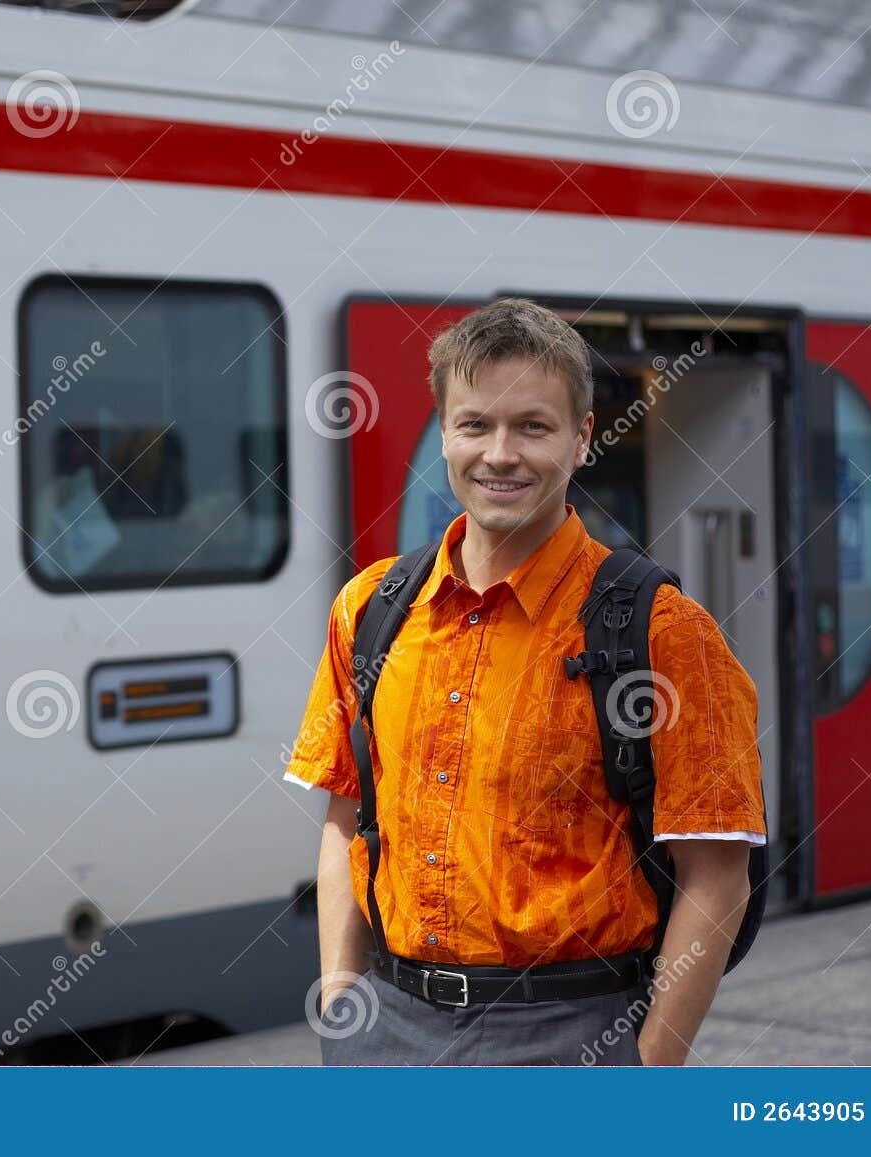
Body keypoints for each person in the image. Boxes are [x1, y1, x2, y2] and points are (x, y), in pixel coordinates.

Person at [285, 298, 764, 1066]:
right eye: (475, 424)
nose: (499, 453)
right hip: (387, 1026)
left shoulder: (665, 631)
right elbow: (347, 813)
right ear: (443, 433)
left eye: (532, 426)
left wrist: (648, 1066)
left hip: (571, 1032)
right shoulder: (369, 609)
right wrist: (343, 1002)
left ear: (580, 441)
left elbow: (717, 871)